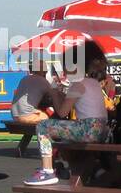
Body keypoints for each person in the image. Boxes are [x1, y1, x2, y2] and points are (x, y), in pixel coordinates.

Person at [23, 51, 110, 185]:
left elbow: (62, 112)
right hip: (103, 130)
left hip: (89, 130)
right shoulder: (93, 83)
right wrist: (58, 94)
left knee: (43, 126)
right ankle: (94, 168)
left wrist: (53, 93)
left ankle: (47, 170)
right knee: (65, 132)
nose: (64, 71)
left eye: (65, 66)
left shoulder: (77, 84)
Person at [9, 59, 54, 124]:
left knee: (40, 110)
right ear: (44, 71)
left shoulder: (24, 79)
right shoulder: (43, 81)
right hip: (27, 116)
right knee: (51, 115)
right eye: (45, 71)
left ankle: (28, 134)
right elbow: (54, 96)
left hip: (14, 115)